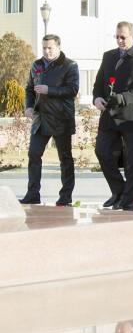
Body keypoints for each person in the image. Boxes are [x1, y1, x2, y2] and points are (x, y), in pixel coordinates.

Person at [92, 21, 133, 210]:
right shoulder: (108, 56)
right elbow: (99, 83)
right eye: (117, 36)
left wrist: (122, 98)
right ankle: (118, 191)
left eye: (123, 37)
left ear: (132, 36)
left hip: (132, 117)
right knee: (102, 151)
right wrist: (96, 99)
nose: (119, 40)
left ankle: (126, 200)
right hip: (109, 116)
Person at [22, 34, 79, 205]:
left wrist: (50, 90)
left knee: (65, 158)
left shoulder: (70, 65)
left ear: (58, 47)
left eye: (50, 48)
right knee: (33, 154)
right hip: (40, 118)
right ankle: (33, 194)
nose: (46, 51)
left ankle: (65, 196)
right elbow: (29, 89)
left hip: (61, 118)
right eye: (44, 48)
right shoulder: (36, 65)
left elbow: (72, 89)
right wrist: (29, 106)